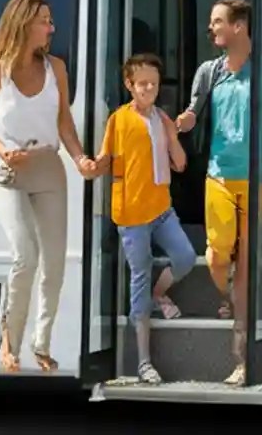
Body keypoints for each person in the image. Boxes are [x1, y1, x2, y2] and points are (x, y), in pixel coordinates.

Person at [0, 0, 99, 373]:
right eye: (45, 20)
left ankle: (41, 344)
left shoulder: (56, 68)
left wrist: (80, 159)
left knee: (54, 264)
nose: (51, 27)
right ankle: (9, 338)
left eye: (50, 19)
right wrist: (2, 150)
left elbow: (64, 123)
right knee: (25, 256)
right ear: (25, 23)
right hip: (10, 173)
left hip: (48, 167)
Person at [176, 0, 262, 386]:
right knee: (219, 256)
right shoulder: (210, 72)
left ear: (240, 27)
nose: (212, 29)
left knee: (247, 270)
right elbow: (193, 110)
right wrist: (186, 120)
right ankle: (228, 297)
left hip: (259, 180)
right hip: (219, 177)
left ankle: (242, 361)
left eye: (217, 22)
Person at [92, 52, 196, 384]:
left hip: (161, 210)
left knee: (185, 257)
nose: (148, 89)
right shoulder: (118, 120)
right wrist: (90, 166)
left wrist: (172, 136)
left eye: (153, 83)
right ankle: (143, 362)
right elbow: (105, 159)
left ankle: (157, 294)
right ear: (129, 85)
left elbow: (180, 164)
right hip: (131, 214)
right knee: (138, 274)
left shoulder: (162, 119)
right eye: (142, 84)